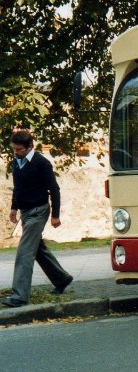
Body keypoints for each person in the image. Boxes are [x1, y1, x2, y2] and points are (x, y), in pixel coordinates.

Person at [2, 130, 73, 308]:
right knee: (38, 249)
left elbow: (54, 190)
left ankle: (19, 296)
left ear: (29, 147)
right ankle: (62, 279)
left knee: (24, 252)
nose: (16, 152)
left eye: (19, 150)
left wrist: (55, 215)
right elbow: (17, 188)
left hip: (39, 211)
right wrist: (14, 208)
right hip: (25, 212)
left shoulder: (42, 163)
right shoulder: (17, 162)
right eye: (14, 149)